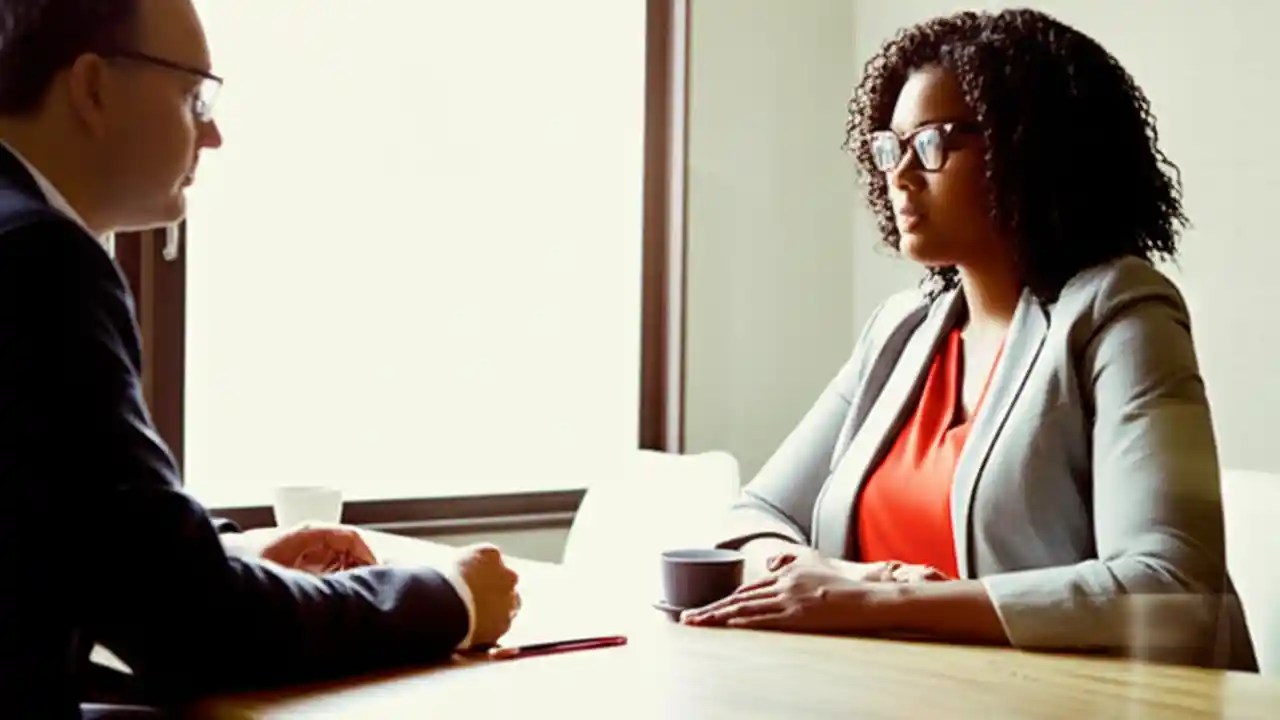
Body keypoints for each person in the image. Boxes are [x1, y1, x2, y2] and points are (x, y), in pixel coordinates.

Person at [681, 8, 1256, 670]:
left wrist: (877, 603)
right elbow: (752, 514)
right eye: (890, 148)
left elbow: (1172, 590)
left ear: (1029, 147)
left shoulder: (1120, 310)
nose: (899, 175)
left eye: (931, 144)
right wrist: (810, 570)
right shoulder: (901, 332)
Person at [0, 1, 520, 715]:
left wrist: (229, 554)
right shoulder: (41, 260)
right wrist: (448, 595)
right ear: (91, 88)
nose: (212, 134)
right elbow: (190, 627)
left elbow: (79, 538)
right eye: (194, 95)